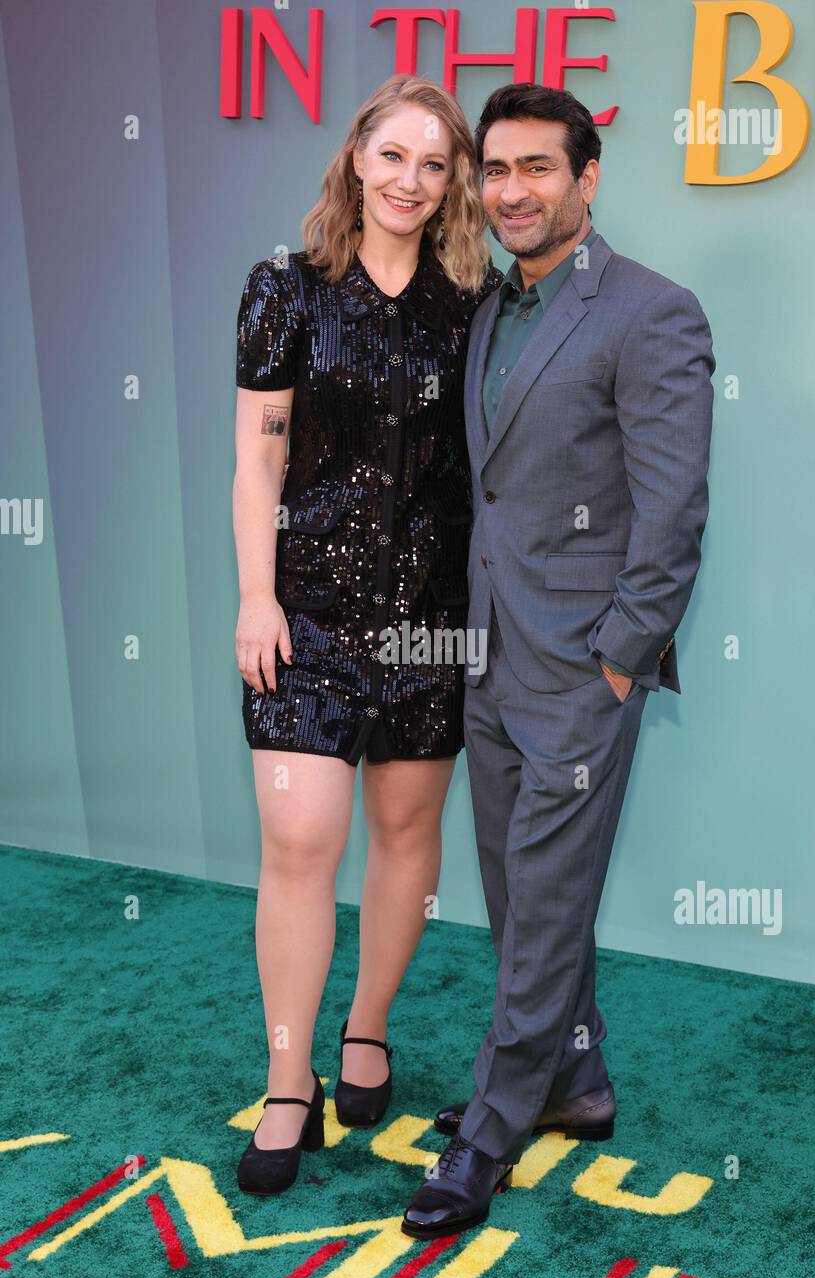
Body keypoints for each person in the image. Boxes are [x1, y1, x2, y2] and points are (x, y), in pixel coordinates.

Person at [402, 82, 715, 1238]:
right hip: (492, 661)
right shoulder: (494, 307)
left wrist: (619, 664)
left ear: (586, 179)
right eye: (494, 169)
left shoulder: (651, 311)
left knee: (537, 903)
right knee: (519, 891)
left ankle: (488, 1131)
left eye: (537, 168)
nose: (510, 191)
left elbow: (672, 511)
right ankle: (574, 1081)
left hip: (583, 670)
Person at [232, 74, 502, 1196]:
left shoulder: (474, 307)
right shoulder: (285, 291)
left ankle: (367, 1029)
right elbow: (259, 455)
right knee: (298, 843)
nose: (408, 180)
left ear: (451, 188)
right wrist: (257, 597)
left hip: (434, 622)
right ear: (356, 160)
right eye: (391, 156)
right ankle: (287, 1080)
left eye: (433, 165)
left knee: (404, 837)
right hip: (307, 616)